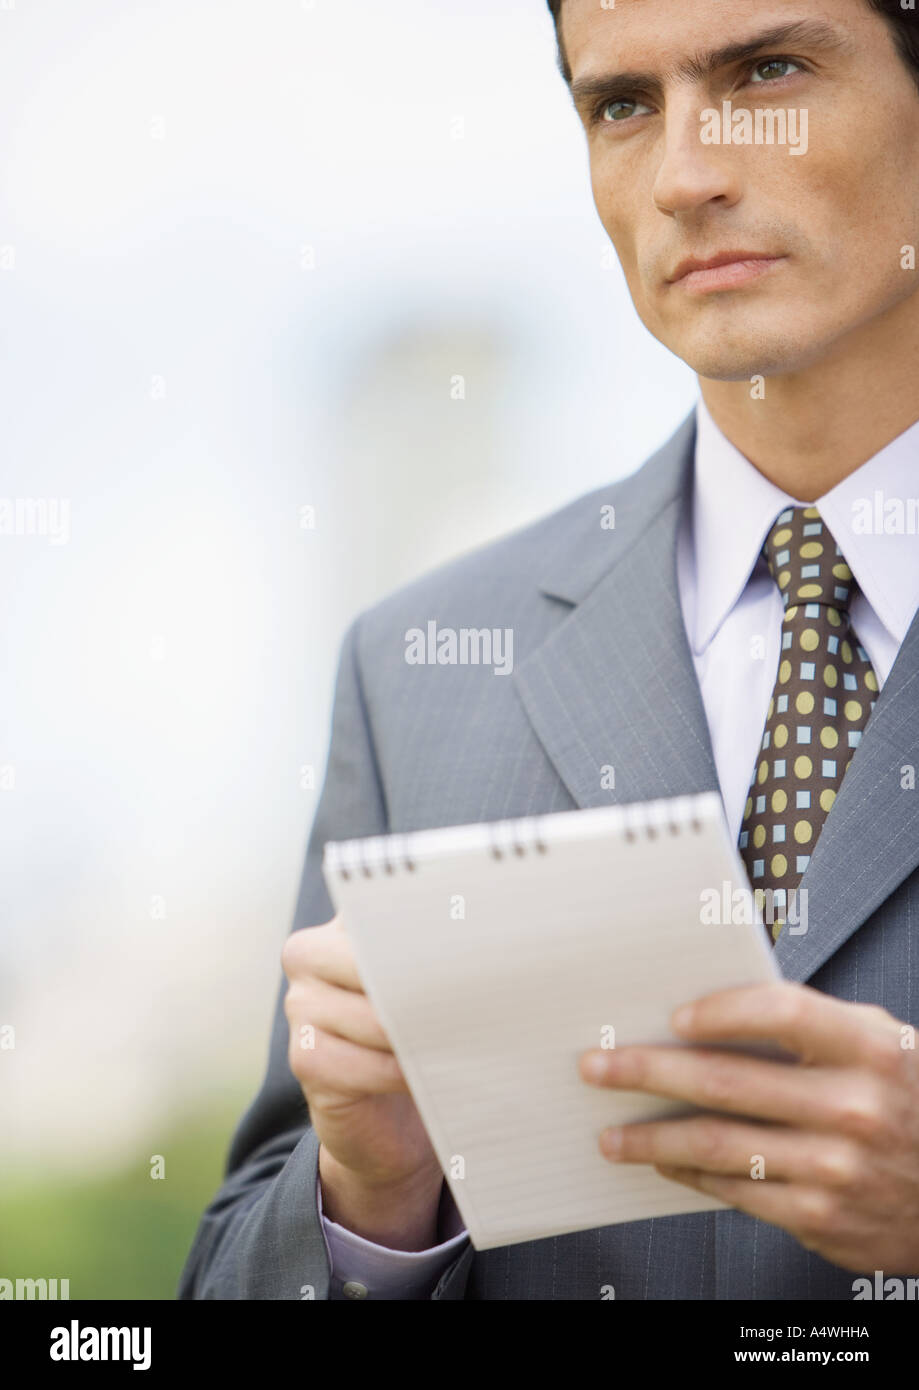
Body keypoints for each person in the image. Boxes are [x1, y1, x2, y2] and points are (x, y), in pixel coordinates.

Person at [179, 0, 919, 1299]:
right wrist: (373, 1199)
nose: (688, 172)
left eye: (770, 70)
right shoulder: (416, 675)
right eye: (622, 104)